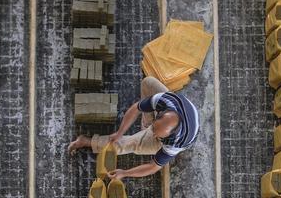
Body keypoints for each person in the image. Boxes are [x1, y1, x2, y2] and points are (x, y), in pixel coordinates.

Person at [67, 76, 200, 180]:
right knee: (148, 82)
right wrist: (119, 133)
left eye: (158, 136)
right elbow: (136, 108)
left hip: (181, 136)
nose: (153, 135)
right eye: (154, 129)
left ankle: (86, 141)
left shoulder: (175, 143)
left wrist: (125, 173)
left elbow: (153, 167)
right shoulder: (165, 100)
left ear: (169, 136)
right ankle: (147, 123)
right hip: (172, 114)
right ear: (160, 113)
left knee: (127, 144)